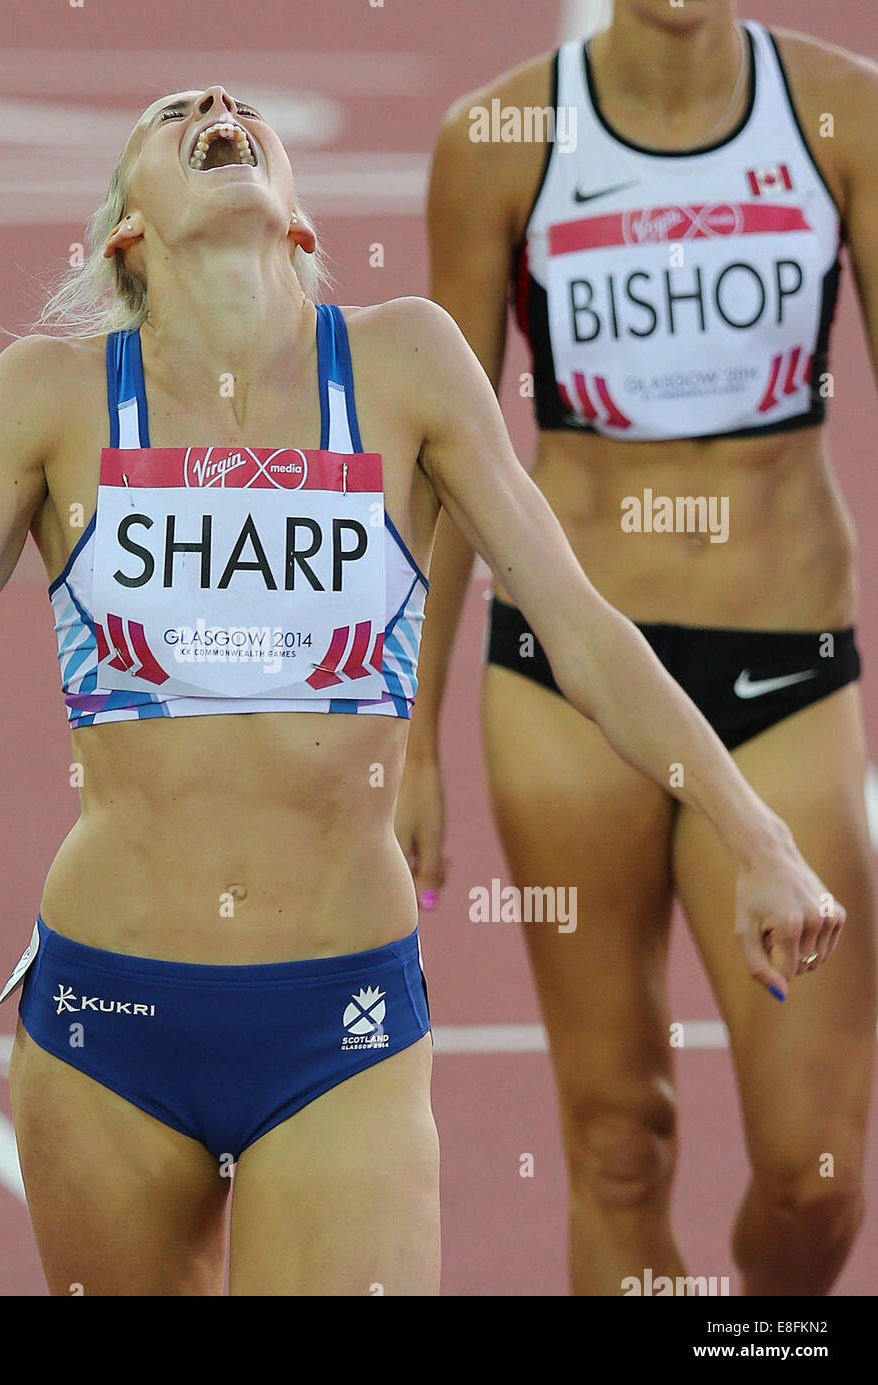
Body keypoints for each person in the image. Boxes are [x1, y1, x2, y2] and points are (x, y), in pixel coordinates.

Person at [0, 82, 843, 1296]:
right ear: (129, 226)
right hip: (107, 1023)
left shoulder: (405, 365)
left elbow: (587, 637)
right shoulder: (52, 394)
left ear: (299, 225)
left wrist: (757, 834)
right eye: (175, 114)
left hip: (338, 1024)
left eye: (236, 114)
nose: (217, 105)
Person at [400, 0, 876, 1294]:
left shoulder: (846, 113)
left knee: (817, 1170)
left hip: (784, 678)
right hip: (571, 690)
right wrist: (410, 741)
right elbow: (444, 465)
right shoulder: (498, 137)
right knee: (619, 1139)